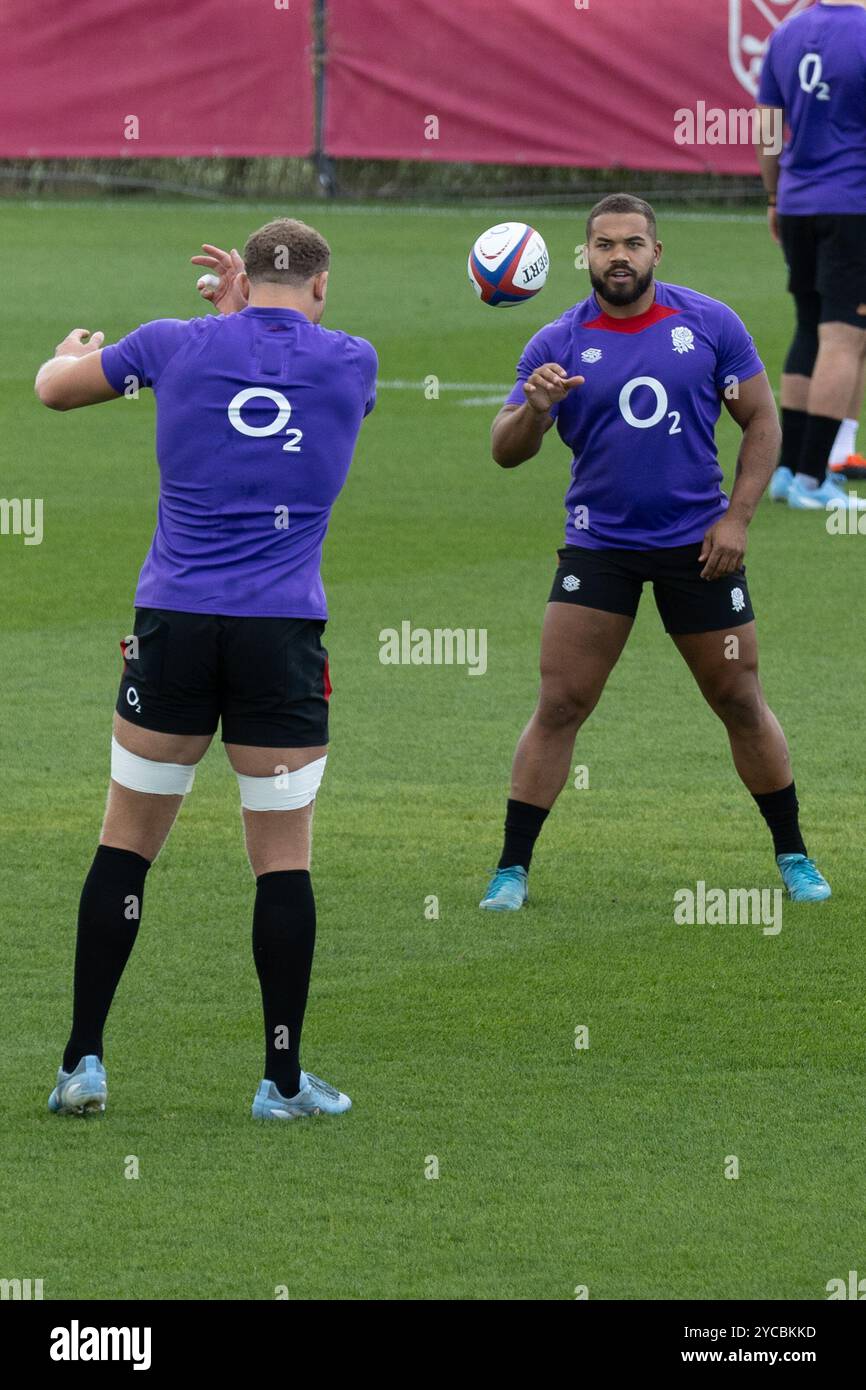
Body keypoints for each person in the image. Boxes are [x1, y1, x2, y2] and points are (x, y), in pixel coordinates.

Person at [34, 218, 377, 1120]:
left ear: (244, 277)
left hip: (175, 627)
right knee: (281, 861)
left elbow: (54, 392)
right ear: (321, 284)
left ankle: (83, 1062)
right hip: (280, 638)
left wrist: (70, 351)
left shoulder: (169, 346)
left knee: (125, 845)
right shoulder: (353, 362)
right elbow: (276, 367)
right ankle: (282, 1080)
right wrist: (242, 316)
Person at [479, 194, 831, 912]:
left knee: (738, 697)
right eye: (604, 245)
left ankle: (794, 854)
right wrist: (535, 409)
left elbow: (762, 419)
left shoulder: (708, 323)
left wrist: (737, 519)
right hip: (599, 546)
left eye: (632, 244)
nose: (619, 257)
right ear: (586, 256)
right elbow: (505, 451)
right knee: (562, 703)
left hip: (700, 546)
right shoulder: (557, 342)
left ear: (656, 252)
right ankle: (511, 870)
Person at [756, 0, 866, 508]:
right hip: (853, 205)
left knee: (809, 326)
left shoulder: (786, 32)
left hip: (799, 201)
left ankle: (786, 472)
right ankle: (813, 479)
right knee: (846, 337)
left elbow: (766, 129)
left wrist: (776, 196)